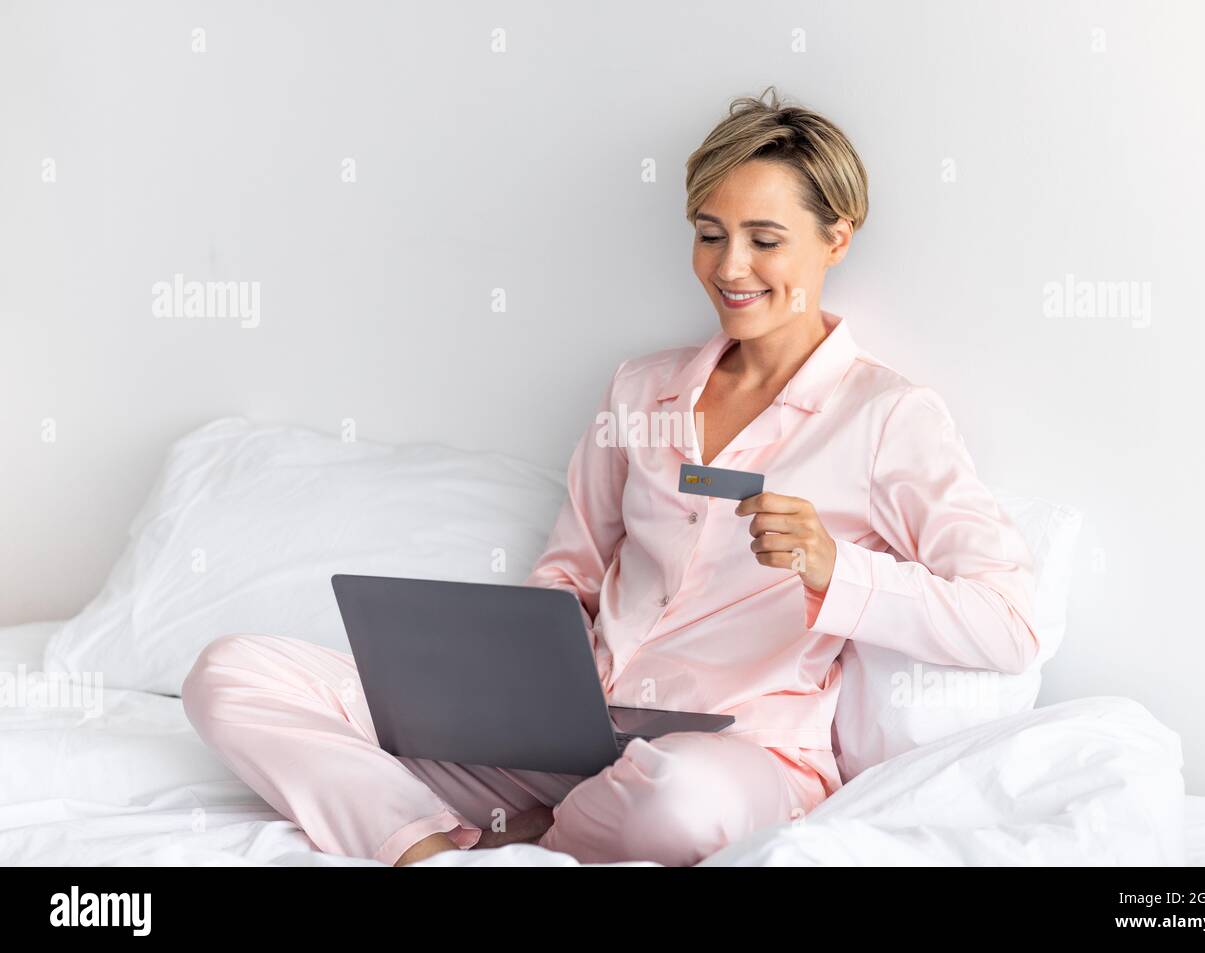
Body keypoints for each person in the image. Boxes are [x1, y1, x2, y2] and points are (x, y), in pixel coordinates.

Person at [181, 86, 1040, 867]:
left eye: (764, 239)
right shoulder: (642, 389)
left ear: (837, 238)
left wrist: (836, 569)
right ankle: (426, 844)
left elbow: (1012, 626)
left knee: (671, 798)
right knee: (232, 671)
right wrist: (507, 677)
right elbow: (572, 570)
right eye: (709, 235)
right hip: (567, 734)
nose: (730, 268)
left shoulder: (888, 417)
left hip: (737, 757)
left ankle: (531, 843)